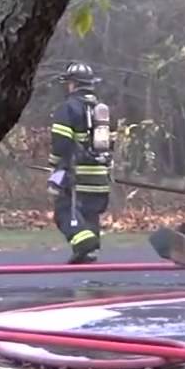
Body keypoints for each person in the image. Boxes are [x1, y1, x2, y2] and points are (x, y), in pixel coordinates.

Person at [49, 61, 115, 264]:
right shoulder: (101, 110)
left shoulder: (67, 108)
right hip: (100, 177)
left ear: (72, 84)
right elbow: (110, 145)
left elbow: (61, 145)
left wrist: (56, 169)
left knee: (63, 211)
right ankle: (87, 252)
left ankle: (83, 244)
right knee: (89, 214)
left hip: (76, 176)